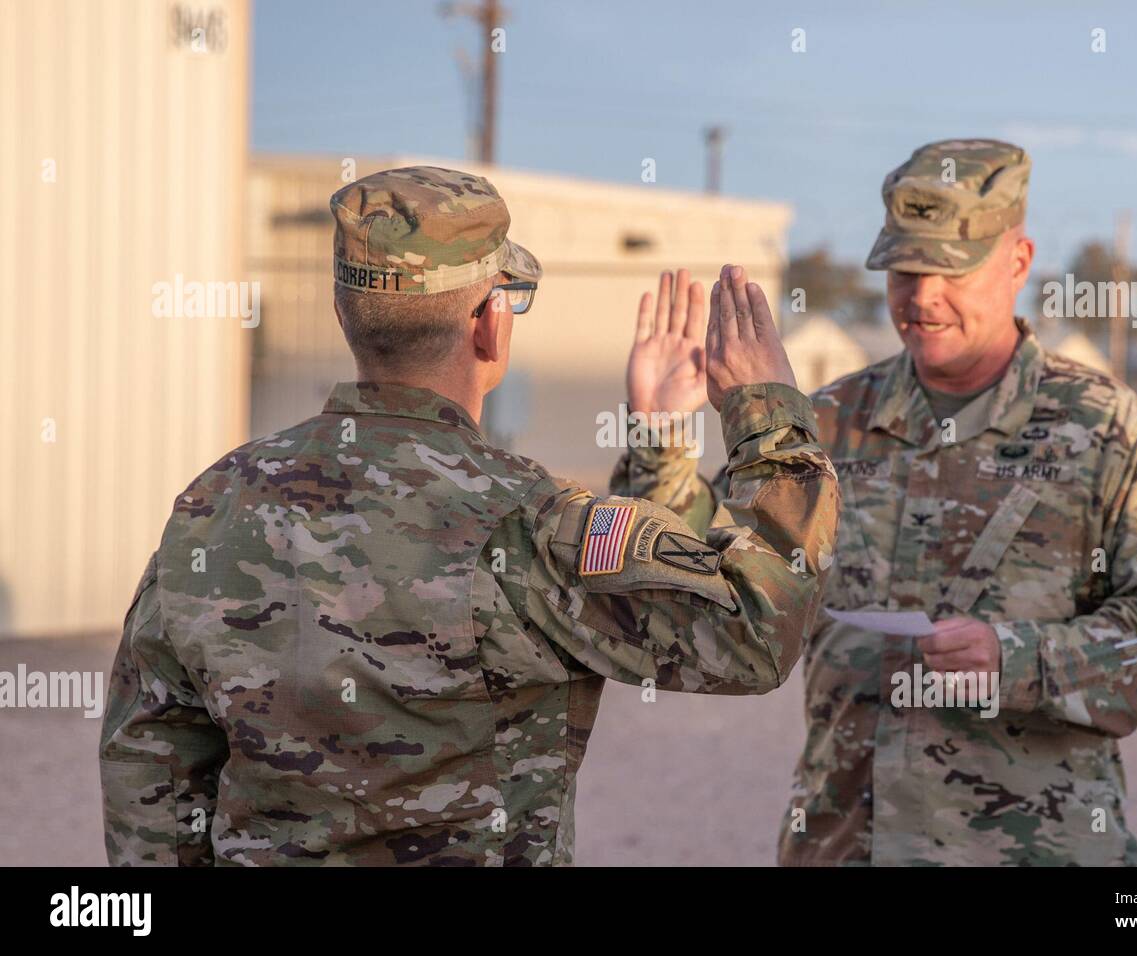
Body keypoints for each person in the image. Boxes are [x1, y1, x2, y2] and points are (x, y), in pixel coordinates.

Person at [99, 165, 839, 866]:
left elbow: (150, 755)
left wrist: (655, 443)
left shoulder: (214, 501)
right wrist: (766, 412)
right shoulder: (527, 520)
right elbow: (754, 631)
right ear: (490, 323)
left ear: (344, 313)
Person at [613, 140, 1137, 865]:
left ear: (1019, 263)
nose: (922, 296)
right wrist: (659, 434)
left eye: (950, 270)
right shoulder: (827, 421)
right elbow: (693, 586)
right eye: (905, 270)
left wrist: (1017, 659)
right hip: (848, 846)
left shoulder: (1103, 426)